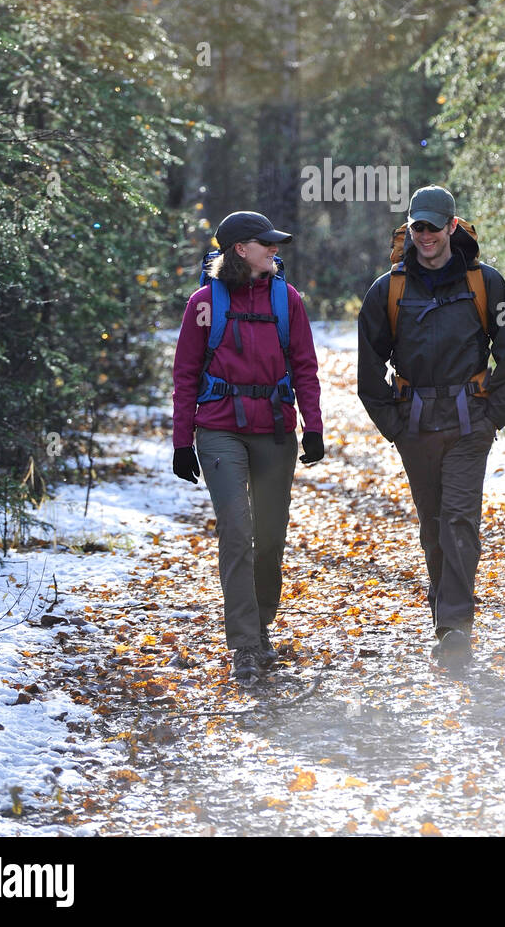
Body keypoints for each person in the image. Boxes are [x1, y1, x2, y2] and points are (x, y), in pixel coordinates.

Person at [357, 186, 505, 668]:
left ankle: (455, 627)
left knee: (459, 521)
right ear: (408, 228)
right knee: (432, 527)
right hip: (415, 426)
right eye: (418, 227)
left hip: (470, 421)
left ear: (453, 226)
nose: (426, 235)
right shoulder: (386, 290)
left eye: (434, 226)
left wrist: (494, 414)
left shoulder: (486, 284)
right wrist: (392, 423)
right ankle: (444, 615)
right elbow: (368, 370)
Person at [171, 211, 324, 686]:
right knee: (236, 530)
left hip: (276, 430)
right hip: (220, 430)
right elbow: (185, 375)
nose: (275, 250)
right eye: (267, 243)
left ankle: (260, 625)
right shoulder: (204, 302)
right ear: (241, 249)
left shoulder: (287, 299)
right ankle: (243, 644)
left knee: (270, 538)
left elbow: (304, 366)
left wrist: (313, 428)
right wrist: (182, 442)